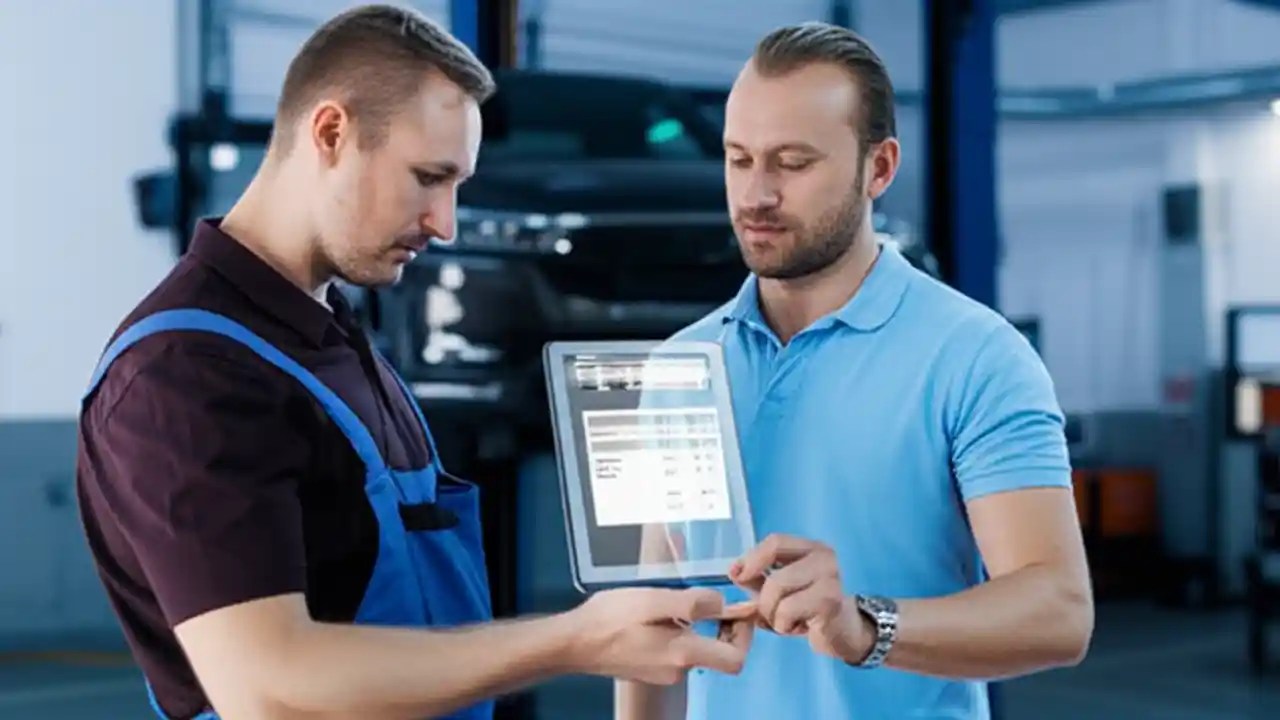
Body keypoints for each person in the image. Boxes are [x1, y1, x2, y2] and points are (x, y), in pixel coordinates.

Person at [75, 6, 753, 720]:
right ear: (331, 133)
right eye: (428, 177)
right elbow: (267, 685)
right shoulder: (184, 374)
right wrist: (574, 640)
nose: (446, 224)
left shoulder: (333, 336)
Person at [617, 22, 1094, 720]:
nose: (755, 195)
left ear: (880, 167)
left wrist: (867, 626)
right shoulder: (681, 367)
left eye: (792, 163)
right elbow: (655, 630)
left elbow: (1059, 611)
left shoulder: (976, 357)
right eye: (738, 159)